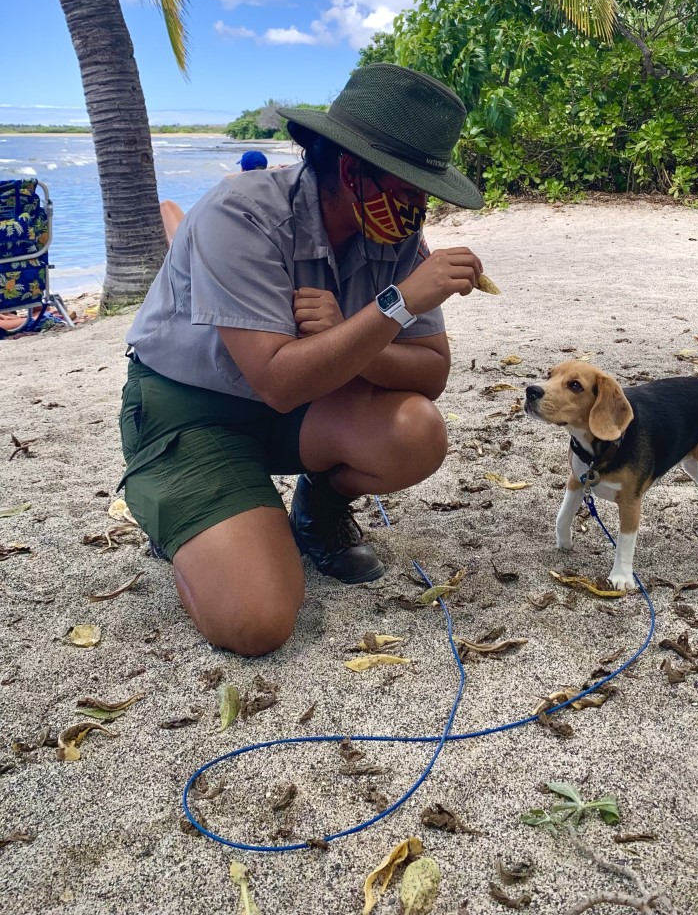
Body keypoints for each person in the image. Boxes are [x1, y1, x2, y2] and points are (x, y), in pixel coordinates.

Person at [118, 64, 485, 656]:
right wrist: (395, 306)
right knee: (256, 621)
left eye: (425, 191)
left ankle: (316, 507)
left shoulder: (395, 240)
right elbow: (279, 381)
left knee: (418, 430)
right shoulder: (242, 214)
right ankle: (181, 521)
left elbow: (431, 373)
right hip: (190, 413)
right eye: (408, 187)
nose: (418, 208)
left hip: (299, 409)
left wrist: (352, 332)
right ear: (349, 168)